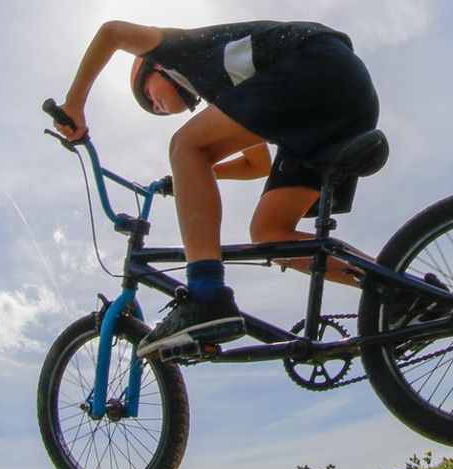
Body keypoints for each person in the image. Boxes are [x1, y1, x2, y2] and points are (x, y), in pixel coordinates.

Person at [56, 20, 380, 357]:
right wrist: (185, 178)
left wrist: (74, 103)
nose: (156, 108)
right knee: (270, 232)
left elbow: (113, 32)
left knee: (185, 144)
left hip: (315, 64)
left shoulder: (177, 49)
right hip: (343, 99)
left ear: (152, 68)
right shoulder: (231, 93)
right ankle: (394, 291)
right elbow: (258, 165)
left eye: (149, 97)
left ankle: (206, 293)